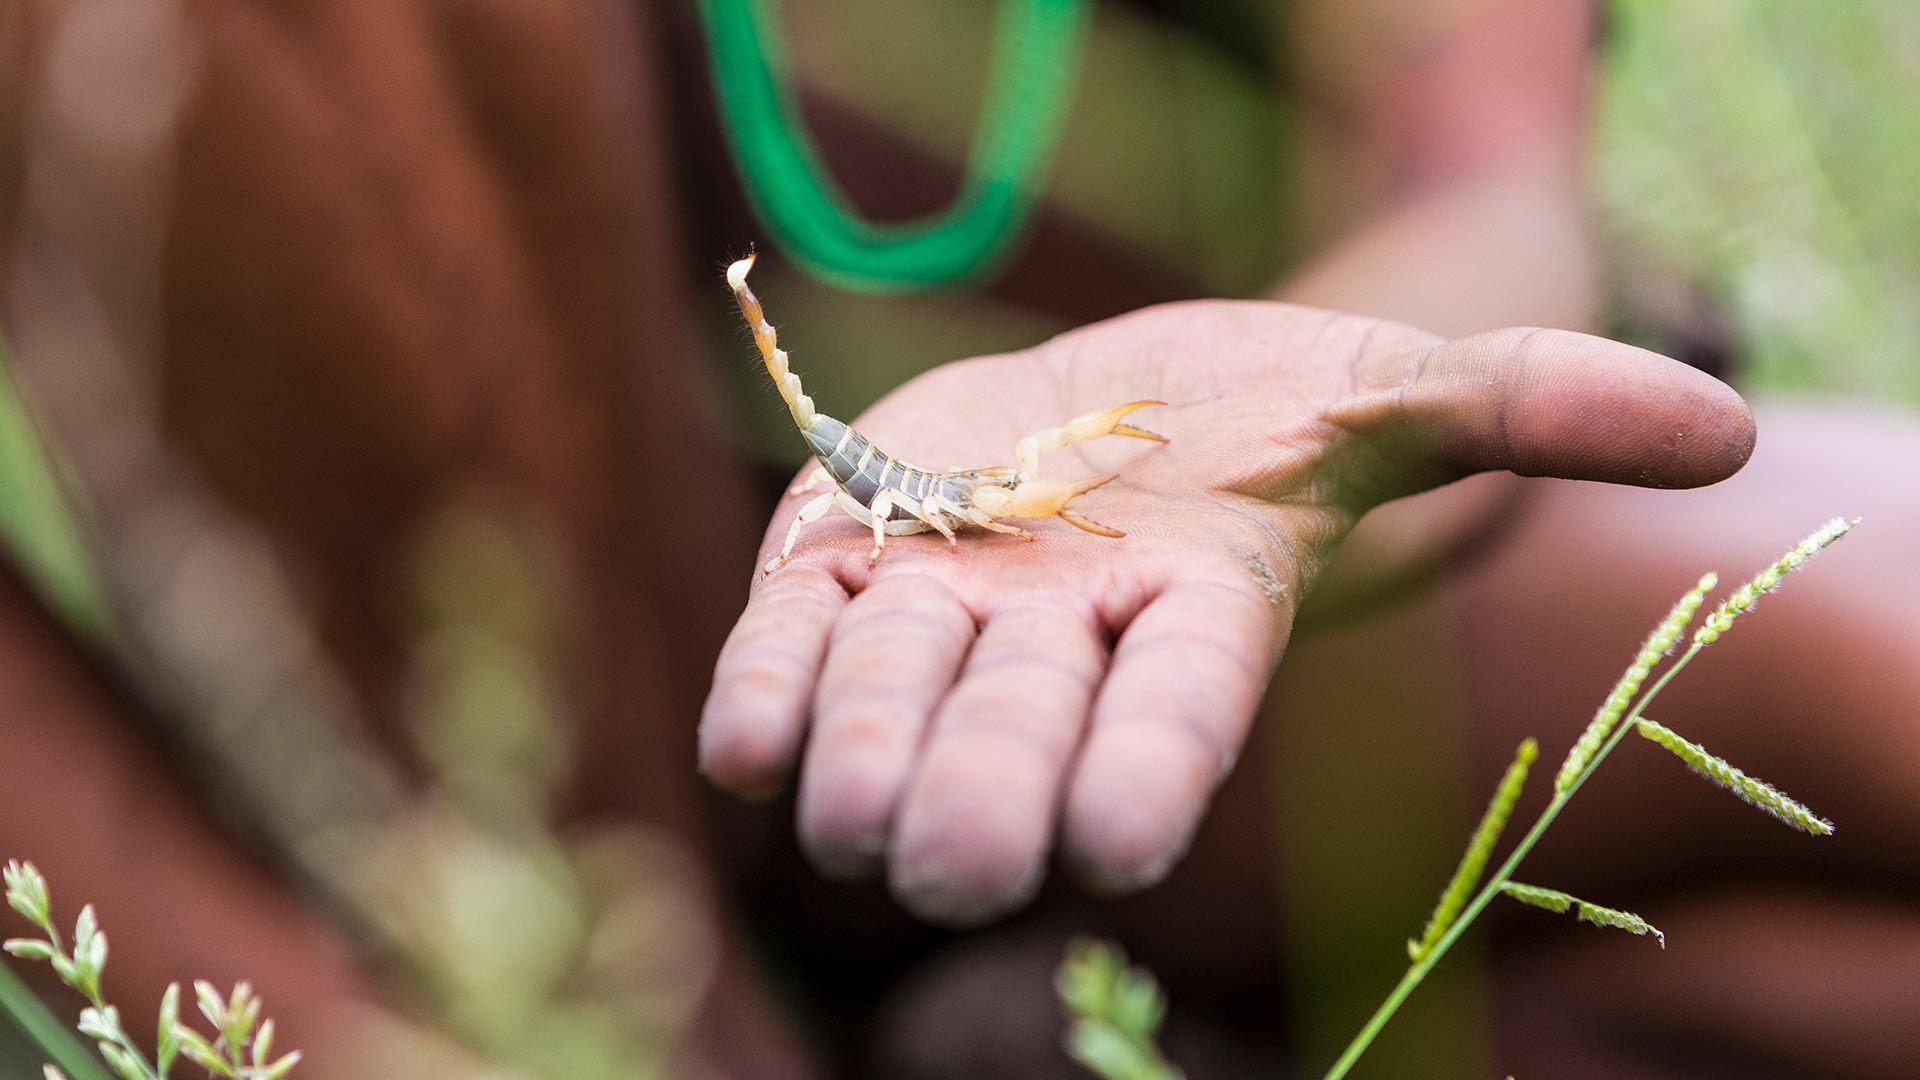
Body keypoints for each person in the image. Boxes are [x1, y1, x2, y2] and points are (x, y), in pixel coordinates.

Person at [0, 2, 1912, 1078]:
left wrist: (1325, 401)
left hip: (1284, 654)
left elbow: (1478, 175)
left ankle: (1033, 1049)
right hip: (575, 711)